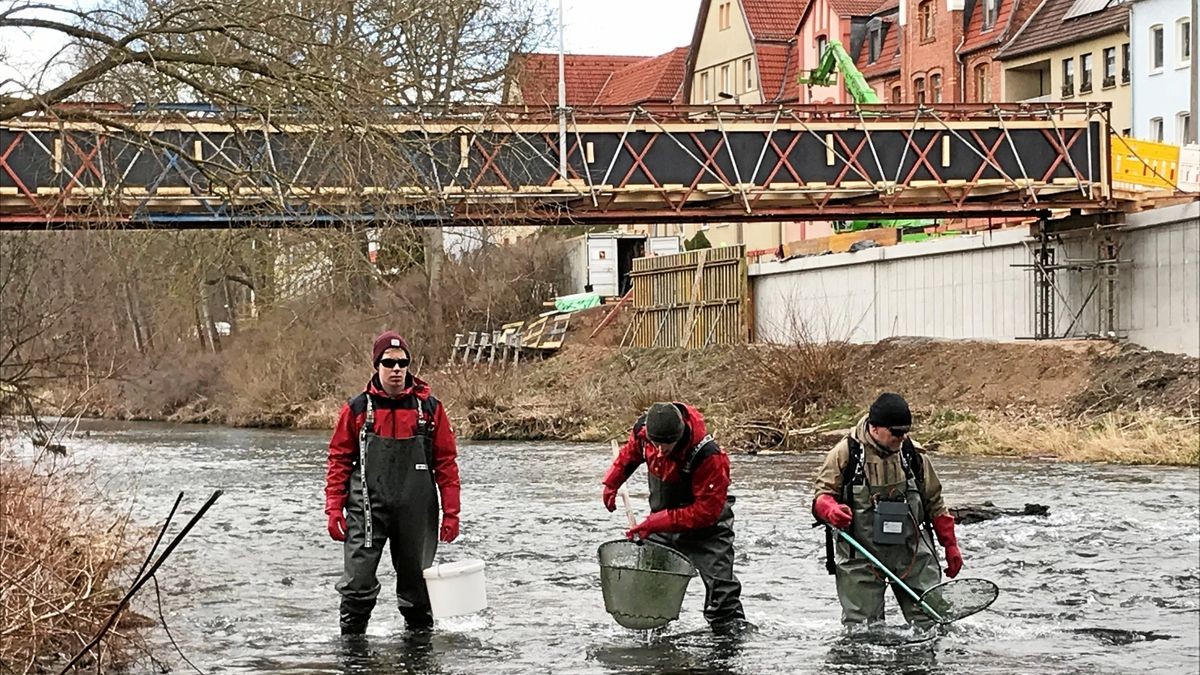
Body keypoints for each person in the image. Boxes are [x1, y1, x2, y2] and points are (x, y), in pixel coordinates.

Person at [324, 330, 461, 635]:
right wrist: (333, 508)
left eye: (402, 363)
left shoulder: (430, 410)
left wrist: (452, 513)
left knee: (417, 587)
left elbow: (446, 464)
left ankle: (419, 650)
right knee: (358, 582)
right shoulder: (357, 409)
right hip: (367, 509)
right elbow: (339, 460)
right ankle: (353, 651)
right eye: (389, 363)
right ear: (377, 366)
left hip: (416, 509)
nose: (397, 369)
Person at [811, 393, 963, 628]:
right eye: (896, 433)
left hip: (911, 553)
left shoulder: (913, 454)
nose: (902, 438)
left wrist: (950, 545)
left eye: (905, 432)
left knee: (934, 624)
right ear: (874, 428)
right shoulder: (845, 453)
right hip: (861, 556)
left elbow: (935, 502)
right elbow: (821, 497)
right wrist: (831, 511)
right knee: (863, 632)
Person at [601, 401, 750, 635]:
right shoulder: (643, 432)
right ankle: (654, 645)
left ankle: (728, 647)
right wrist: (612, 483)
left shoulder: (709, 456)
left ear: (679, 437)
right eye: (655, 444)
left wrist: (653, 523)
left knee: (722, 597)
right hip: (661, 526)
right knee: (650, 588)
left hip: (707, 531)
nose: (659, 451)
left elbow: (705, 512)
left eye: (666, 446)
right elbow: (630, 455)